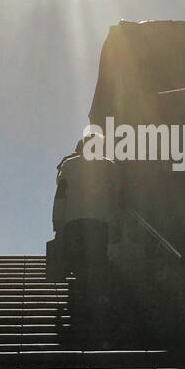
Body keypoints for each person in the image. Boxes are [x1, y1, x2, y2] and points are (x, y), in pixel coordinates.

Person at [52, 138, 120, 340]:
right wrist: (115, 222)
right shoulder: (109, 165)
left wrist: (57, 220)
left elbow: (61, 194)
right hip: (100, 221)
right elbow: (116, 195)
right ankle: (96, 302)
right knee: (98, 260)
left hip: (74, 221)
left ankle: (79, 299)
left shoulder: (69, 166)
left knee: (78, 262)